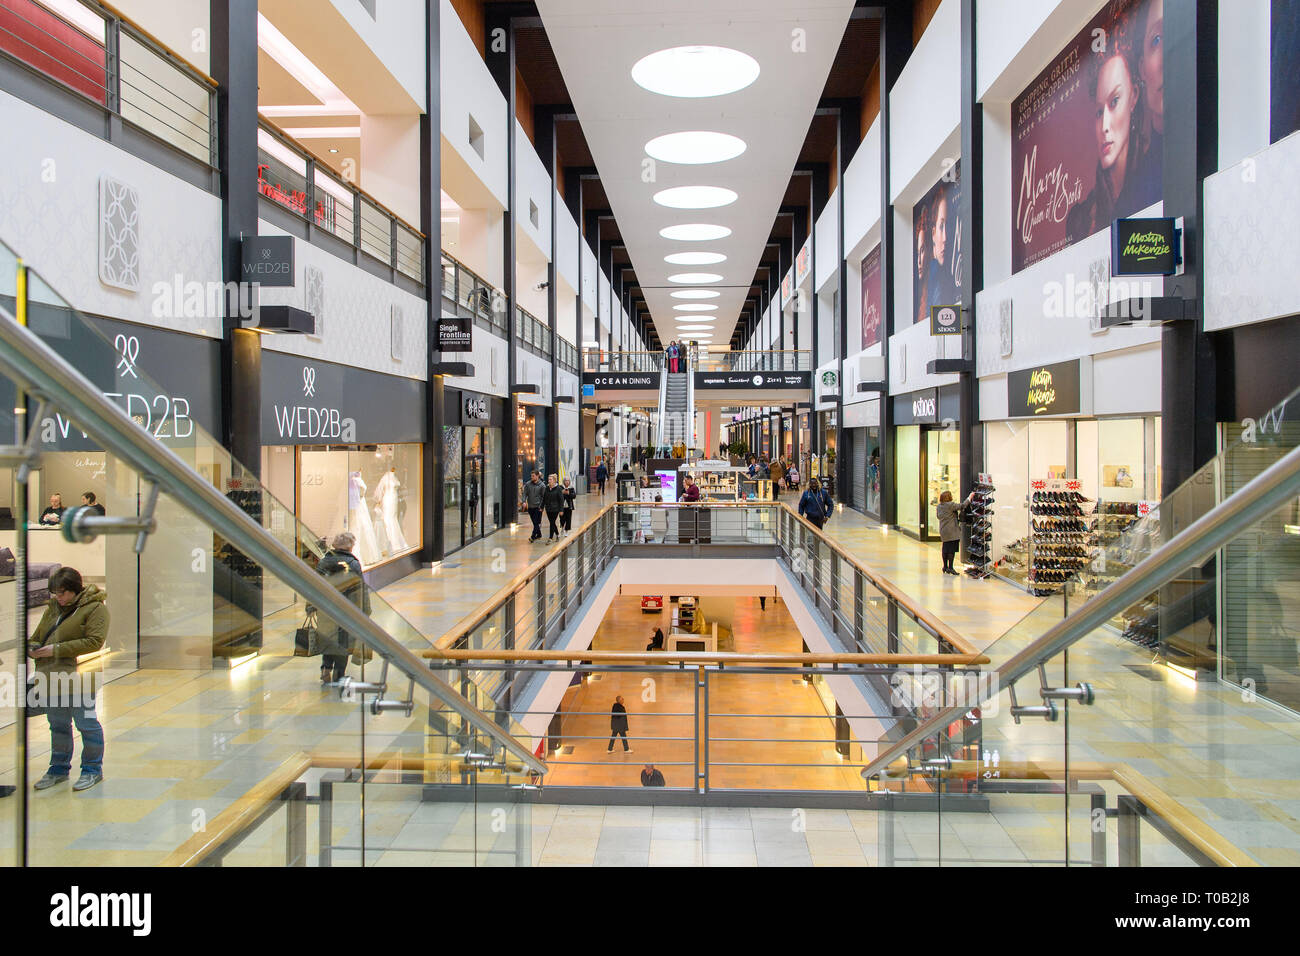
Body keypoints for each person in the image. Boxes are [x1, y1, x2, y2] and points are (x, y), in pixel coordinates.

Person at [1065, 15, 1159, 240]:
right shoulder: (1083, 218)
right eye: (1099, 112)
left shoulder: (1155, 177)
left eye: (1114, 101)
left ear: (1134, 96)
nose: (1104, 126)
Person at [28, 567, 106, 792]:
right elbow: (38, 635)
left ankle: (92, 769)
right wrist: (34, 647)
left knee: (86, 724)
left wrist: (56, 649)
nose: (58, 598)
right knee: (58, 724)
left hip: (80, 675)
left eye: (62, 593)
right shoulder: (53, 608)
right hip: (51, 675)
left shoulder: (95, 609)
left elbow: (95, 641)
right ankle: (58, 769)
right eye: (55, 593)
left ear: (75, 589)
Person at [315, 532, 371, 684]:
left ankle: (326, 667)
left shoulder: (324, 561)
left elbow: (315, 584)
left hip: (326, 608)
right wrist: (365, 609)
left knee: (328, 638)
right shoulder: (352, 564)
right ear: (350, 546)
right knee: (344, 643)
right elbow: (360, 588)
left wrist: (311, 605)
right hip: (346, 608)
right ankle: (339, 674)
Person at [935, 490, 974, 576]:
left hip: (943, 530)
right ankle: (951, 567)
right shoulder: (950, 505)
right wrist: (969, 497)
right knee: (951, 550)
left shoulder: (939, 506)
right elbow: (962, 505)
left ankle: (945, 566)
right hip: (952, 530)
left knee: (945, 548)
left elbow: (938, 516)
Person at [523, 471, 545, 542]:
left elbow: (543, 497)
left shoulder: (542, 485)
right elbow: (525, 494)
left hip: (538, 507)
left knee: (536, 522)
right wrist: (524, 501)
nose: (531, 477)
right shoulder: (528, 484)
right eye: (531, 476)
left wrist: (541, 507)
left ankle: (532, 536)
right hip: (530, 507)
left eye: (533, 476)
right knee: (535, 522)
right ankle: (539, 534)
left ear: (537, 476)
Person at [543, 473, 565, 542]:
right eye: (548, 479)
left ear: (554, 480)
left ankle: (550, 538)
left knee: (552, 522)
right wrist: (541, 507)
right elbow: (544, 498)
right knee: (552, 523)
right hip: (548, 508)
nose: (549, 481)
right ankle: (557, 534)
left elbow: (561, 500)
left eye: (550, 479)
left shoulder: (558, 489)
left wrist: (561, 510)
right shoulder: (547, 488)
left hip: (555, 509)